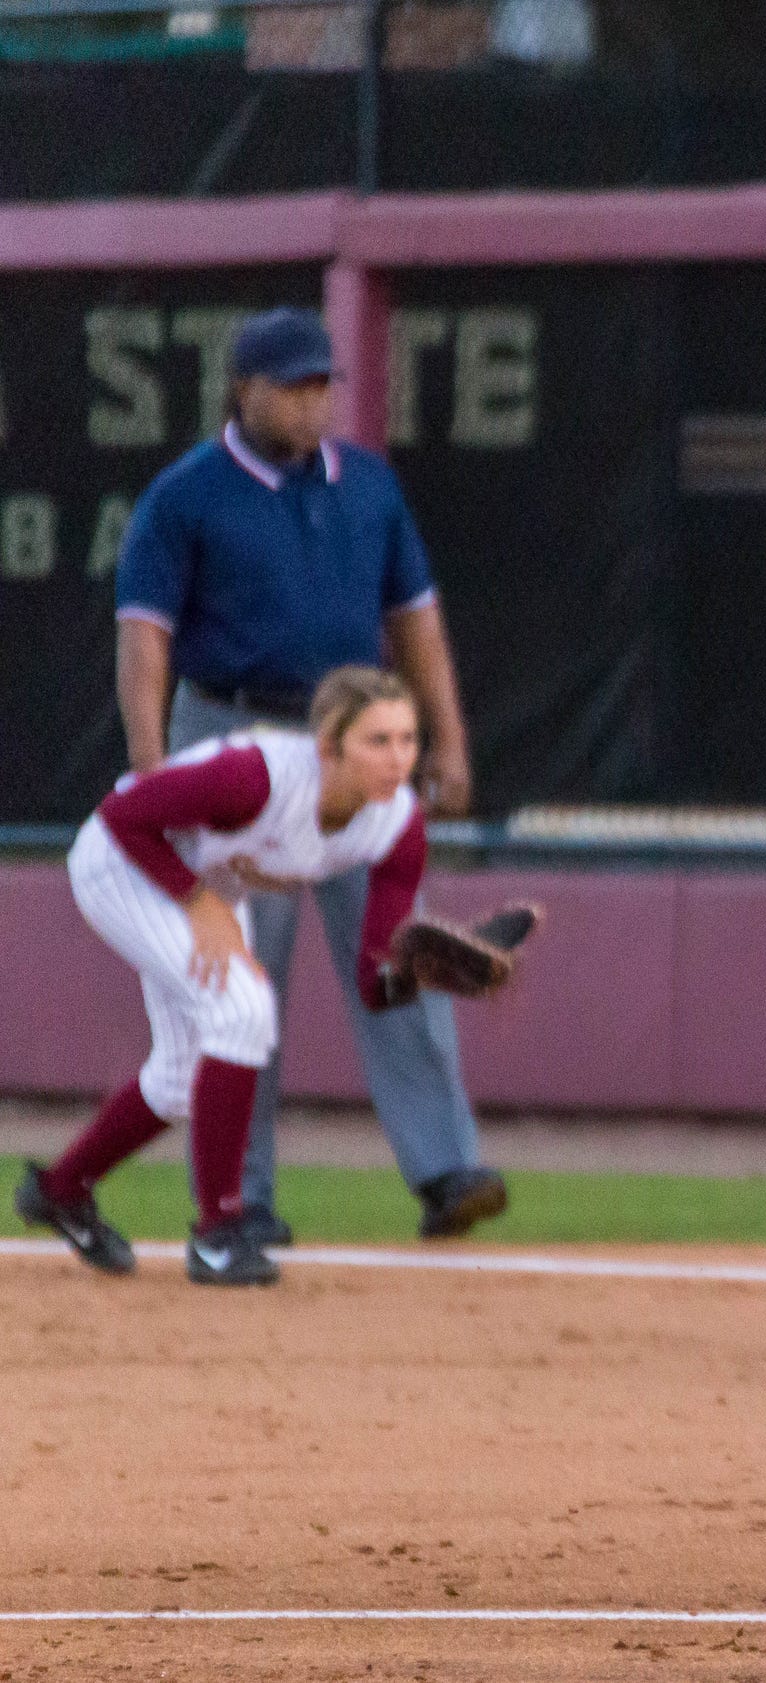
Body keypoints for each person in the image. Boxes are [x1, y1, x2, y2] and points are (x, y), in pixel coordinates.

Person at [110, 307, 507, 1245]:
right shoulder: (187, 495)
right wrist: (151, 769)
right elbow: (144, 637)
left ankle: (447, 1169)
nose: (313, 398)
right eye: (293, 383)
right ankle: (239, 1197)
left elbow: (417, 620)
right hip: (239, 732)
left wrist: (446, 742)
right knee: (243, 973)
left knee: (399, 948)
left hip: (355, 741)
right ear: (241, 389)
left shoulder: (366, 487)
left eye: (323, 382)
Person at [17, 669, 444, 1286]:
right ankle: (218, 1234)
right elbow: (124, 814)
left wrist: (415, 977)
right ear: (327, 744)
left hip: (204, 882)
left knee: (184, 1076)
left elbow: (374, 979)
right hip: (123, 863)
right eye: (376, 741)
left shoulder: (398, 824)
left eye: (407, 739)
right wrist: (198, 902)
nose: (397, 758)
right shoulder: (260, 775)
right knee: (243, 1010)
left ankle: (60, 1190)